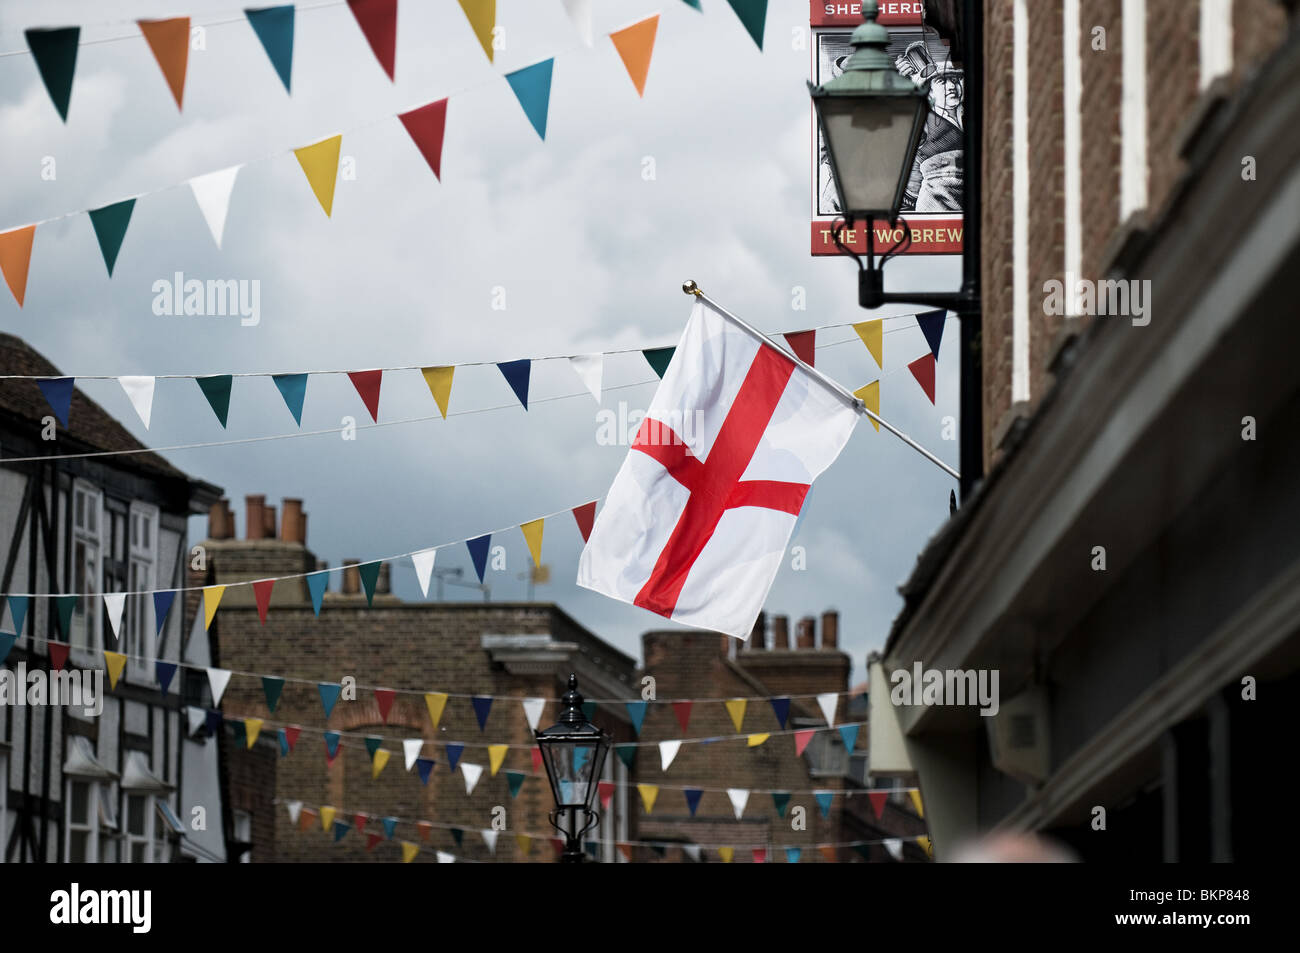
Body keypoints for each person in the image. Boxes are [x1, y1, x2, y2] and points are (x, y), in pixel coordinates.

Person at [895, 42, 964, 212]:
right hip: (939, 204)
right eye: (941, 81)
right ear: (929, 91)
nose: (951, 87)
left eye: (954, 80)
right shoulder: (920, 120)